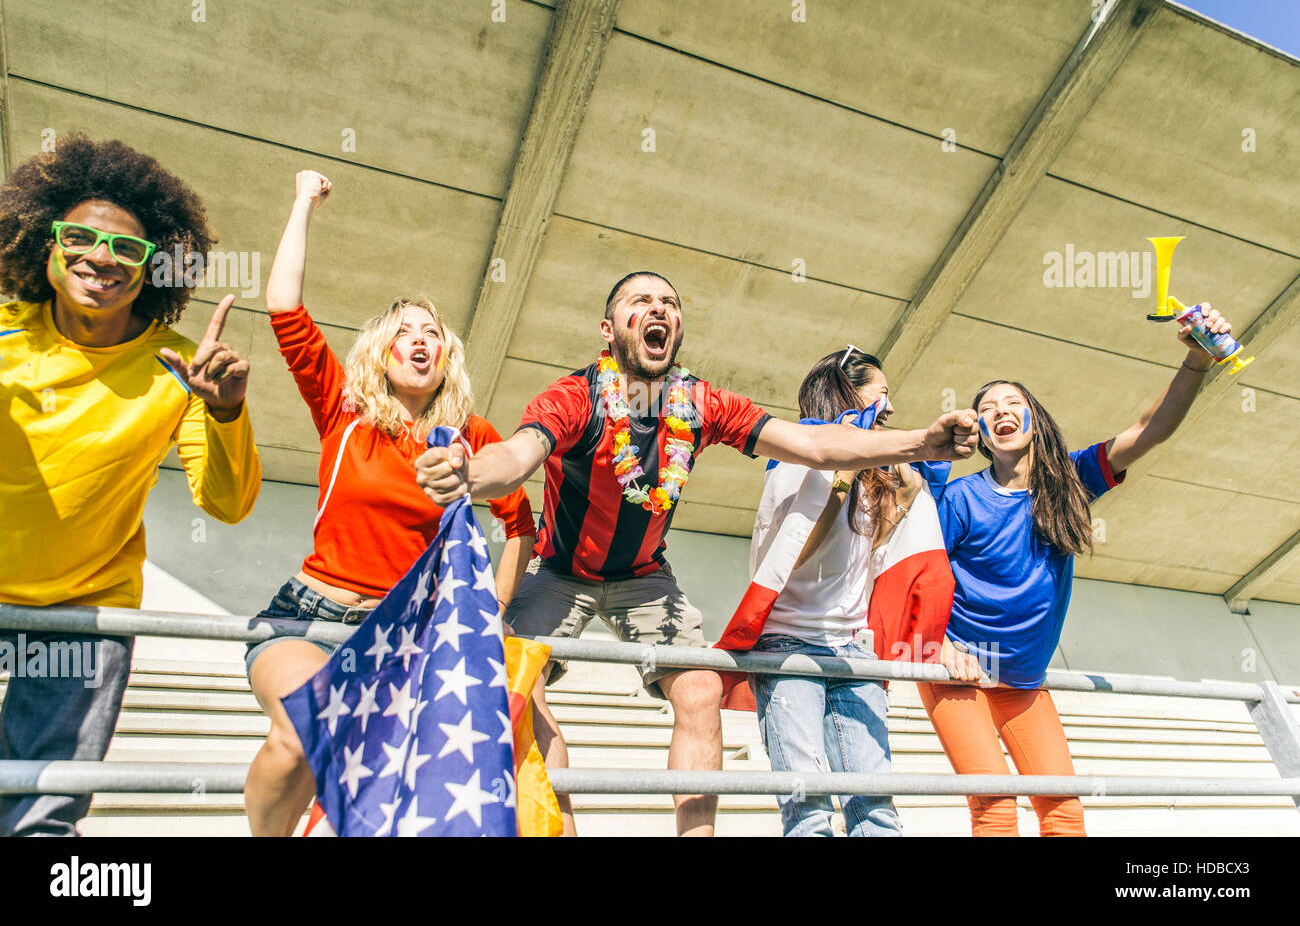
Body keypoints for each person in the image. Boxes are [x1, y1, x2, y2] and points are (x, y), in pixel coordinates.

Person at [416, 270, 980, 836]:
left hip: (644, 577)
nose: (659, 308)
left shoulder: (699, 402)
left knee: (702, 687)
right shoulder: (574, 395)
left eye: (670, 302)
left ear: (678, 328)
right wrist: (470, 473)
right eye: (642, 300)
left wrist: (919, 442)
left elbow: (811, 443)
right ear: (608, 330)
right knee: (517, 679)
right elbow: (516, 457)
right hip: (559, 569)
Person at [242, 171, 536, 836]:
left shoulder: (470, 436)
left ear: (447, 355)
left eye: (432, 331)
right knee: (298, 736)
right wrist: (302, 202)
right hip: (308, 616)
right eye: (406, 330)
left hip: (410, 634)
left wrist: (494, 610)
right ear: (383, 348)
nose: (421, 338)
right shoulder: (342, 410)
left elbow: (520, 525)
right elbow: (285, 307)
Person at [0, 133, 261, 836]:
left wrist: (224, 408)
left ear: (153, 269)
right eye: (79, 236)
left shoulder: (181, 367)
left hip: (85, 605)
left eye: (129, 249)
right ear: (45, 243)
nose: (102, 257)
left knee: (38, 816)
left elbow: (227, 503)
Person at [923, 304, 1237, 836]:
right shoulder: (960, 498)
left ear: (1033, 418)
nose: (999, 409)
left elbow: (1150, 429)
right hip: (960, 675)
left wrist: (1198, 361)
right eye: (987, 407)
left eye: (1012, 401)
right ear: (980, 430)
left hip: (1023, 682)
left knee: (1064, 814)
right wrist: (937, 643)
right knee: (996, 809)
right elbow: (922, 576)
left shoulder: (1068, 480)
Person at [740, 348, 925, 837]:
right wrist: (842, 470)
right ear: (847, 392)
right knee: (809, 811)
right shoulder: (796, 455)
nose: (888, 406)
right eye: (880, 392)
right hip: (789, 646)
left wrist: (900, 484)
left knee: (876, 810)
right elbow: (792, 555)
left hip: (850, 650)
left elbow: (871, 549)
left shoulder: (870, 479)